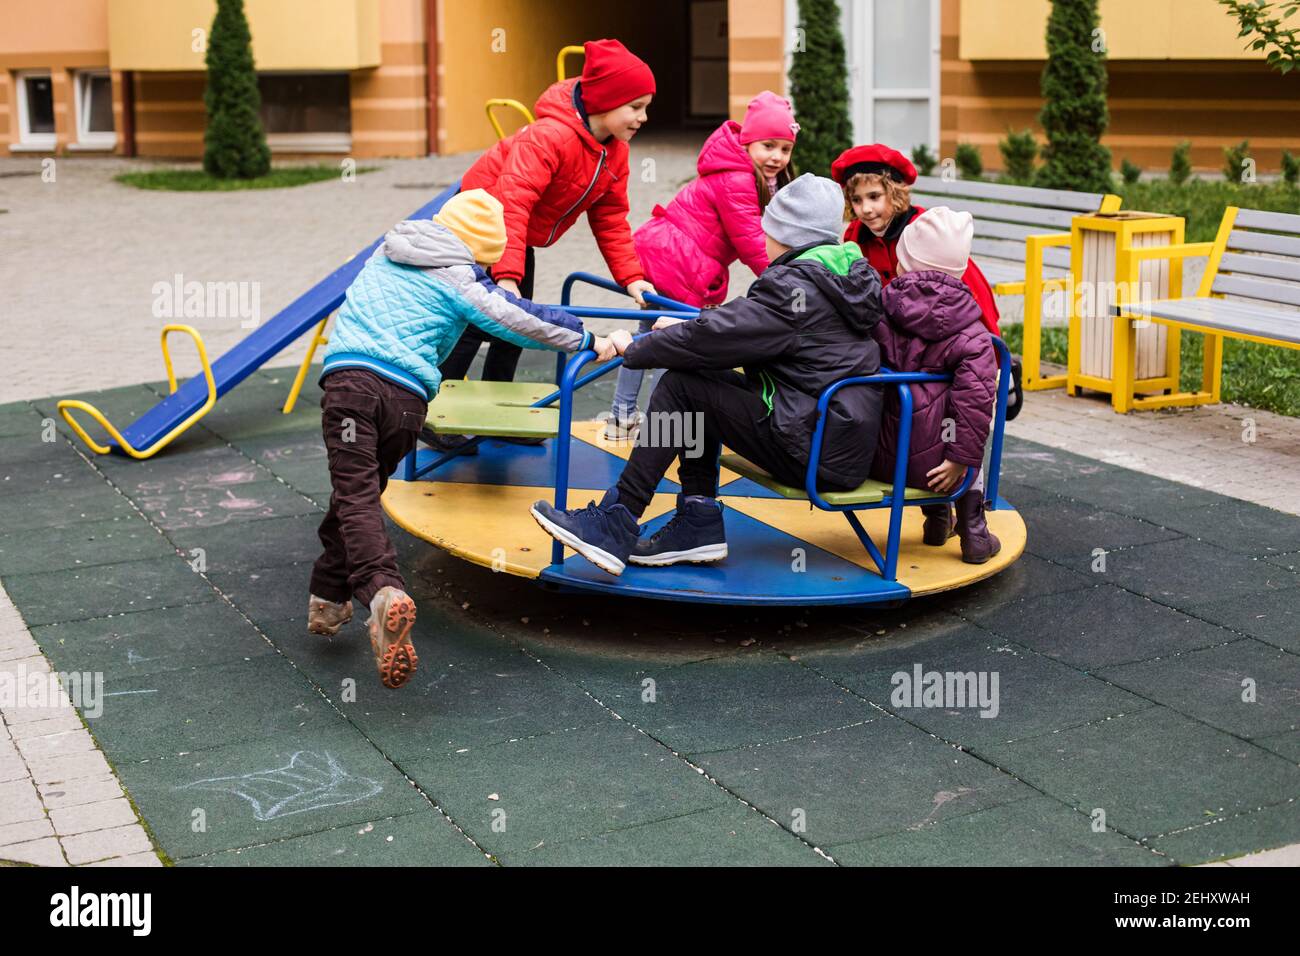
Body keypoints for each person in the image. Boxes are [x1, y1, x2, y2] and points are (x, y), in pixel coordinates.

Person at [307, 190, 613, 687]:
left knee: (353, 494)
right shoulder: (460, 278)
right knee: (358, 496)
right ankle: (334, 598)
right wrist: (589, 339)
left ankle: (373, 591)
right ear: (479, 249)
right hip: (402, 402)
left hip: (348, 389)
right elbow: (519, 319)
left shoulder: (387, 250)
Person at [530, 174, 884, 576]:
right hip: (832, 439)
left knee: (683, 387)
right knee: (700, 375)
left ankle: (619, 517)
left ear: (785, 236)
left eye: (767, 230)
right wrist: (689, 326)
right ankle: (698, 521)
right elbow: (737, 329)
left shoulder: (794, 288)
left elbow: (729, 332)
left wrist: (636, 347)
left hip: (813, 447)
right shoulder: (840, 278)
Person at [435, 38, 657, 433]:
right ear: (604, 102)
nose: (643, 117)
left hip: (515, 234)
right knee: (476, 320)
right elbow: (512, 202)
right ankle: (436, 413)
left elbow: (610, 217)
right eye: (635, 107)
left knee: (516, 323)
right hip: (477, 225)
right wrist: (506, 276)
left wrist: (632, 279)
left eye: (646, 108)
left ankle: (496, 412)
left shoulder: (614, 152)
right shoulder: (549, 136)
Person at [606, 91, 799, 439]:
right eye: (768, 145)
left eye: (785, 149)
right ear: (749, 142)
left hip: (667, 253)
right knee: (674, 343)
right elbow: (751, 241)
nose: (777, 157)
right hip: (680, 262)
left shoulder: (746, 172)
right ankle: (660, 427)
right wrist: (785, 280)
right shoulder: (738, 179)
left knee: (648, 336)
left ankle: (622, 416)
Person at [869, 206, 1001, 564]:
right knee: (965, 430)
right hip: (941, 468)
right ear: (960, 270)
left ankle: (936, 520)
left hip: (875, 456)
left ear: (902, 262)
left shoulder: (879, 309)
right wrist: (961, 460)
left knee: (915, 405)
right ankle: (974, 532)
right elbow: (975, 403)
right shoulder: (973, 333)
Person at [831, 144, 1000, 335]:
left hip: (941, 331)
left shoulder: (927, 230)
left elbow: (963, 293)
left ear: (894, 192)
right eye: (857, 200)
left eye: (874, 196)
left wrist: (991, 347)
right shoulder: (855, 236)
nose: (866, 208)